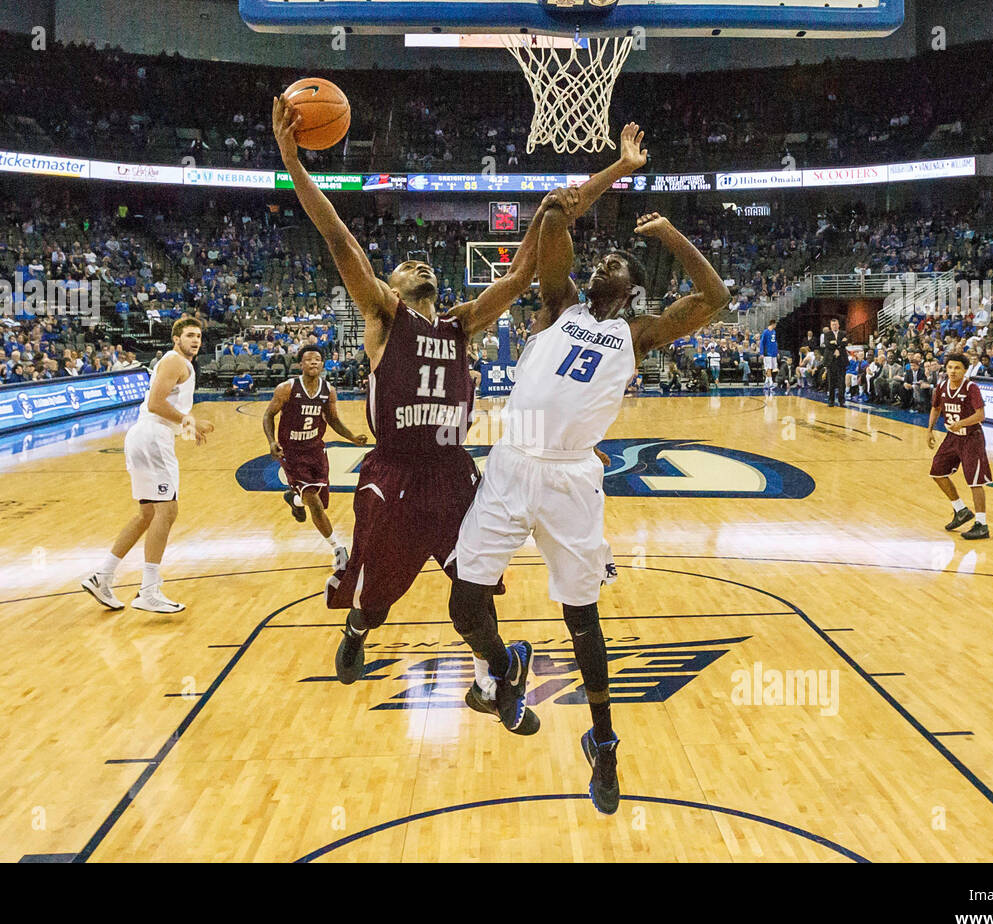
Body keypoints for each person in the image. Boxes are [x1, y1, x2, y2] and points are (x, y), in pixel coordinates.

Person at [273, 101, 648, 707]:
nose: (418, 264)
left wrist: (611, 173)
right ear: (389, 287)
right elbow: (339, 237)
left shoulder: (461, 324)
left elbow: (530, 263)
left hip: (451, 472)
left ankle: (495, 678)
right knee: (374, 595)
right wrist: (294, 164)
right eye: (405, 264)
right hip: (393, 470)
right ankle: (359, 628)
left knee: (474, 592)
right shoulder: (382, 316)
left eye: (423, 263)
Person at [451, 199, 730, 815]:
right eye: (603, 258)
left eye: (620, 264)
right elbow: (552, 233)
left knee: (582, 616)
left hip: (572, 478)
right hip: (511, 461)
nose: (607, 262)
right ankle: (507, 663)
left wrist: (669, 233)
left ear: (633, 292)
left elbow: (714, 297)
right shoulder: (560, 306)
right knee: (463, 603)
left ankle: (603, 741)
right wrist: (564, 206)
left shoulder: (637, 333)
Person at [80, 316, 214, 613]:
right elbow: (155, 404)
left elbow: (167, 408)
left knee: (147, 514)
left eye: (199, 337)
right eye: (190, 335)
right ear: (175, 338)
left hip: (148, 435)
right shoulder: (175, 361)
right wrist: (190, 421)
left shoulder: (179, 364)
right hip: (152, 437)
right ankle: (149, 590)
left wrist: (190, 430)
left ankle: (103, 577)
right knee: (167, 511)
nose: (195, 340)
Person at [263, 344, 368, 569]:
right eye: (309, 359)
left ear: (323, 364)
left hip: (316, 451)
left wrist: (351, 437)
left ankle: (294, 499)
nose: (313, 362)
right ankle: (338, 548)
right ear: (301, 364)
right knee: (316, 503)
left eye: (317, 359)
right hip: (292, 454)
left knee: (318, 503)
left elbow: (332, 419)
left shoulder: (328, 390)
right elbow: (268, 415)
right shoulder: (287, 388)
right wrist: (272, 441)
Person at [927, 354, 992, 540]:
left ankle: (982, 524)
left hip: (972, 438)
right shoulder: (941, 386)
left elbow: (980, 415)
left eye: (957, 368)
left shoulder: (971, 388)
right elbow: (935, 408)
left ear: (964, 370)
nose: (953, 371)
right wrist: (929, 430)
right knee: (937, 471)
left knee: (975, 481)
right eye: (950, 368)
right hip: (953, 437)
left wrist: (962, 423)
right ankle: (961, 509)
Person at [760, 318, 779, 388]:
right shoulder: (765, 332)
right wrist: (761, 353)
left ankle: (766, 382)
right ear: (773, 324)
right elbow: (762, 342)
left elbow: (775, 343)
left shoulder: (774, 332)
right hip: (767, 352)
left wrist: (777, 352)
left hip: (773, 352)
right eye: (775, 324)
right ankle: (771, 383)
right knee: (768, 367)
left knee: (772, 368)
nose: (776, 326)